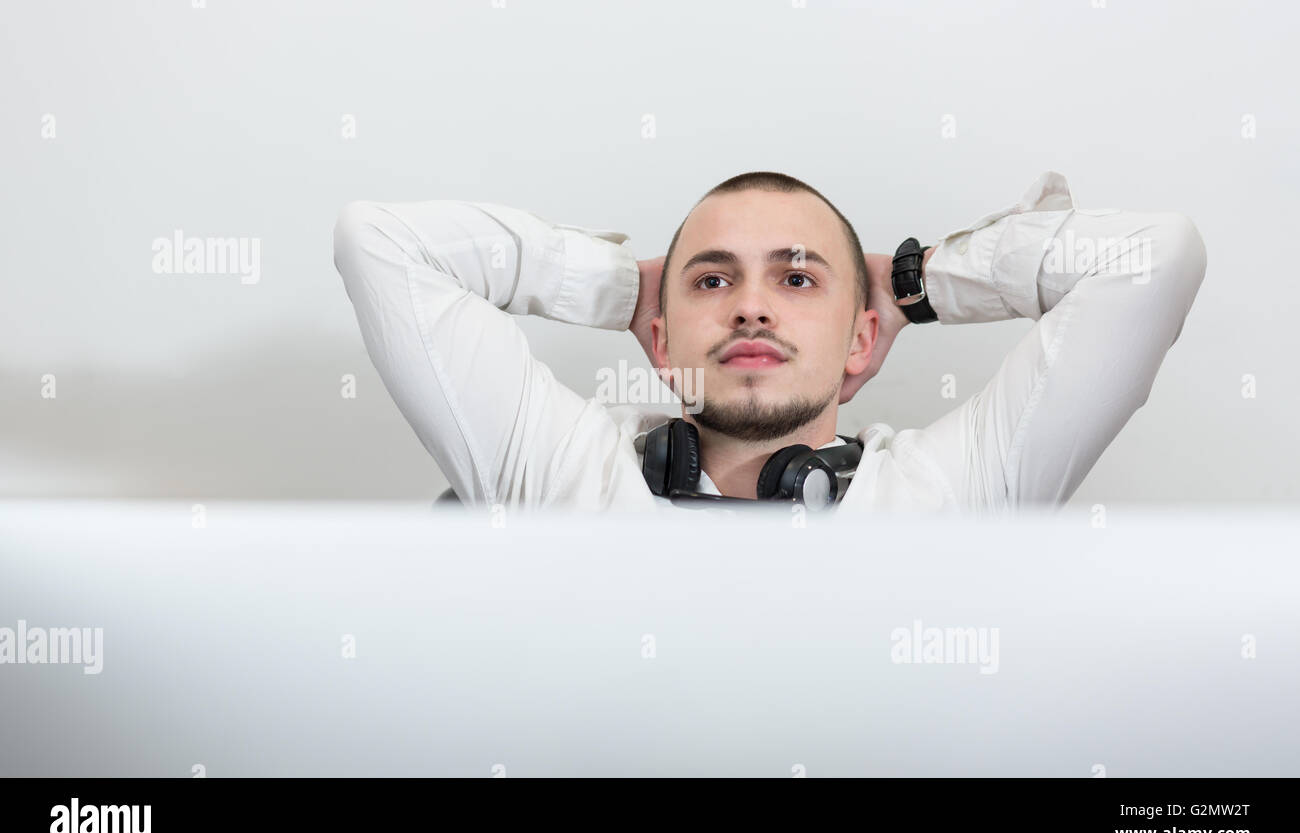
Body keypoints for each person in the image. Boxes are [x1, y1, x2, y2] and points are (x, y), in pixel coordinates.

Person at [332, 171, 1206, 514]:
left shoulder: (956, 491)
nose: (751, 309)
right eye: (714, 281)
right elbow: (378, 240)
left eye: (797, 280)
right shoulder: (555, 469)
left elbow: (1152, 257)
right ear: (659, 340)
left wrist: (913, 284)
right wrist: (614, 288)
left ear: (861, 341)